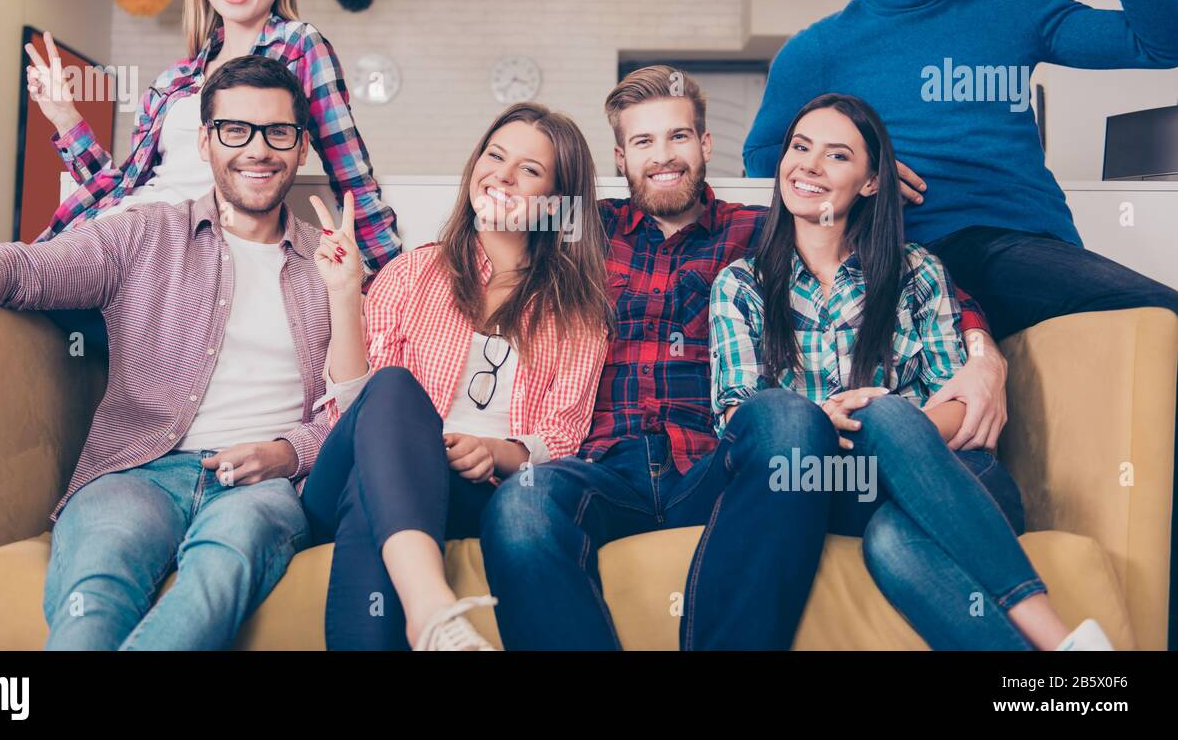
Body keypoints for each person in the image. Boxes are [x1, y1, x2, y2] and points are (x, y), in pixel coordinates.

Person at [0, 0, 402, 513]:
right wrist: (65, 118)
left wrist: (403, 281)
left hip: (178, 266)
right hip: (114, 242)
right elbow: (119, 187)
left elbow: (351, 171)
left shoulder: (300, 47)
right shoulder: (175, 79)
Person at [479, 65, 1004, 649]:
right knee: (519, 505)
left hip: (716, 471)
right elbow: (489, 236)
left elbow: (925, 286)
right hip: (604, 467)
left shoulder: (761, 233)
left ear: (704, 144)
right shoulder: (582, 231)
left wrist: (985, 357)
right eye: (642, 142)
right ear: (620, 157)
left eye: (678, 137)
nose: (663, 157)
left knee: (783, 414)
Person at [0, 55, 356, 650]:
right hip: (137, 472)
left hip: (262, 488)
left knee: (216, 580)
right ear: (206, 143)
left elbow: (350, 409)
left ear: (302, 147)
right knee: (93, 594)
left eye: (277, 132)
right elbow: (26, 269)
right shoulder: (143, 233)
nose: (257, 149)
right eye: (235, 130)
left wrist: (288, 452)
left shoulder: (333, 264)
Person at [713, 92, 1111, 650]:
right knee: (873, 422)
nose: (809, 165)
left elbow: (962, 406)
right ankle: (1070, 647)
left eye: (837, 155)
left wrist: (893, 426)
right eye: (800, 147)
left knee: (893, 538)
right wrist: (825, 424)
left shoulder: (916, 271)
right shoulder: (740, 285)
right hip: (833, 491)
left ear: (872, 182)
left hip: (955, 479)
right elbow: (734, 417)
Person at [743, 0, 1178, 344]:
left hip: (1030, 248)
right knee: (1164, 314)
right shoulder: (815, 50)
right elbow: (761, 156)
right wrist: (865, 174)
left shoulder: (1008, 10)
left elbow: (1161, 45)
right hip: (907, 262)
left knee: (1157, 325)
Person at [300, 102, 611, 651]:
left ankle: (429, 616)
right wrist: (346, 292)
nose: (503, 176)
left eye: (530, 171)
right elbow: (350, 410)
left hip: (470, 495)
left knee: (367, 499)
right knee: (391, 389)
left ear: (559, 203)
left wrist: (495, 451)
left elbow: (561, 442)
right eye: (495, 155)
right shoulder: (412, 272)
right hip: (360, 468)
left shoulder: (576, 312)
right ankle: (432, 611)